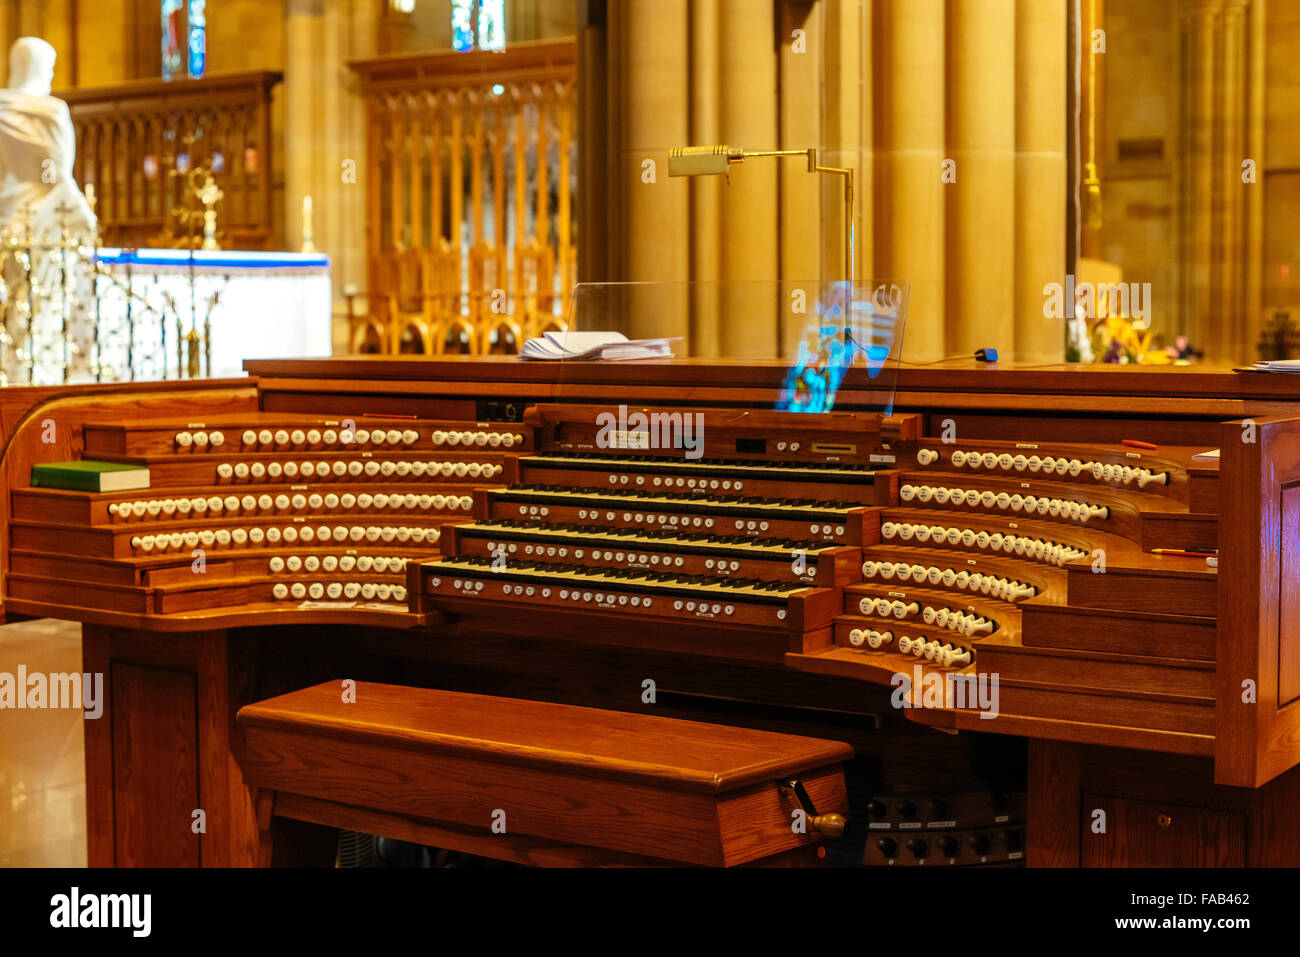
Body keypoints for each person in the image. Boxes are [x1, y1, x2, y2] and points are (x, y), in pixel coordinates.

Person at [0, 37, 95, 240]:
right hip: (41, 220)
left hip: (4, 214)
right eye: (50, 68)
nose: (51, 74)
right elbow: (54, 175)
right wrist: (82, 212)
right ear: (38, 67)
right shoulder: (52, 112)